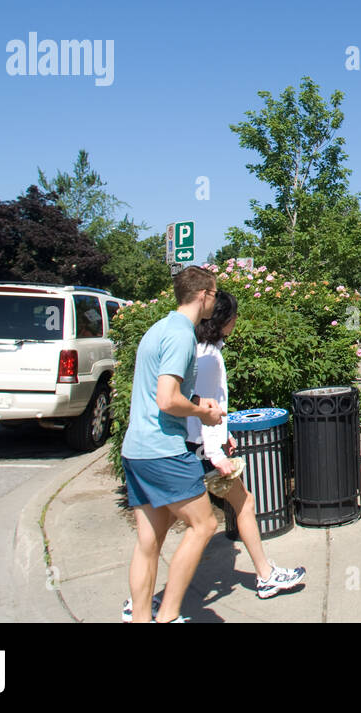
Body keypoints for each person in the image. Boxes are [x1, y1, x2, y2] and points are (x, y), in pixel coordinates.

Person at [182, 290, 306, 599]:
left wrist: (223, 432)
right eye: (235, 316)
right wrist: (215, 452)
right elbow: (203, 405)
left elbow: (199, 404)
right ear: (226, 320)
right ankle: (156, 601)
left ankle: (265, 574)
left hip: (194, 444)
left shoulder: (196, 349)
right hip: (200, 448)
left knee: (224, 510)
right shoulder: (209, 357)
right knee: (207, 522)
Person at [120, 266, 225, 623]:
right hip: (163, 450)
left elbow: (157, 387)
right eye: (214, 293)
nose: (215, 300)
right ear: (203, 295)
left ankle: (140, 619)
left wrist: (197, 399)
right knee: (205, 525)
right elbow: (166, 400)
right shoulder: (182, 335)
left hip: (136, 450)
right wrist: (203, 413)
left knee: (149, 543)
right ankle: (167, 616)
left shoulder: (159, 328)